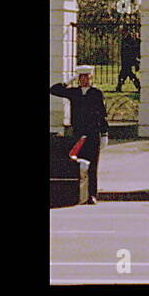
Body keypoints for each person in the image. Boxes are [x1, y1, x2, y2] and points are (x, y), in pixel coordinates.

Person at [50, 65, 109, 204]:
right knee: (79, 165)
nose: (84, 80)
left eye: (86, 77)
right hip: (78, 133)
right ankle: (80, 194)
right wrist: (68, 81)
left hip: (93, 133)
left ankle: (92, 195)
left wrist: (104, 133)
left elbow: (102, 114)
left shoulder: (96, 93)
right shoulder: (74, 92)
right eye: (81, 77)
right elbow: (53, 90)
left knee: (92, 165)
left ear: (91, 78)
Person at [116, 27, 141, 92]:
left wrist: (135, 59)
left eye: (122, 31)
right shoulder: (124, 39)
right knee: (128, 74)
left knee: (125, 74)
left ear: (126, 31)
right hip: (125, 60)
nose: (121, 32)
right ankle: (137, 85)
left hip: (129, 59)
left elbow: (133, 49)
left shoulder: (130, 39)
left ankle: (119, 86)